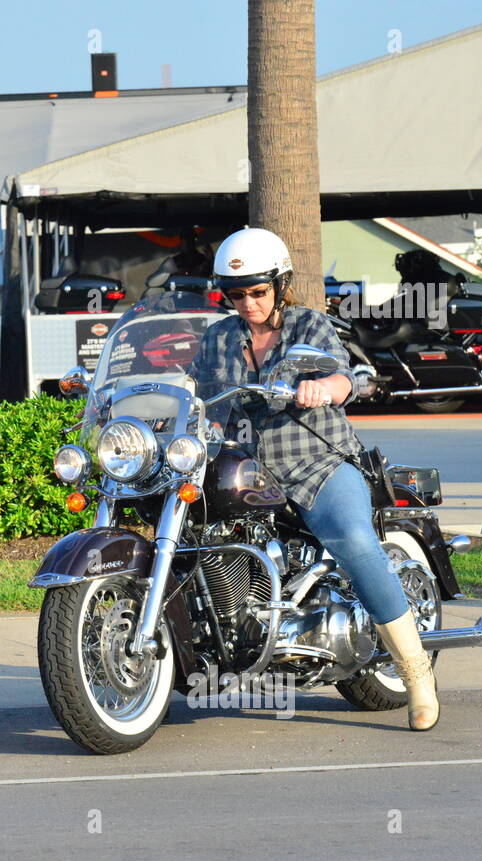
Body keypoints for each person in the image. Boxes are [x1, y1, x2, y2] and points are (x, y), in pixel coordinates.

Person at [188, 227, 439, 731]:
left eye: (257, 291)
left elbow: (345, 377)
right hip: (246, 471)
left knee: (353, 541)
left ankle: (416, 676)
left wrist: (322, 387)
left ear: (280, 286)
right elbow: (192, 388)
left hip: (316, 465)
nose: (246, 302)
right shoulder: (218, 338)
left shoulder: (310, 326)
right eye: (235, 293)